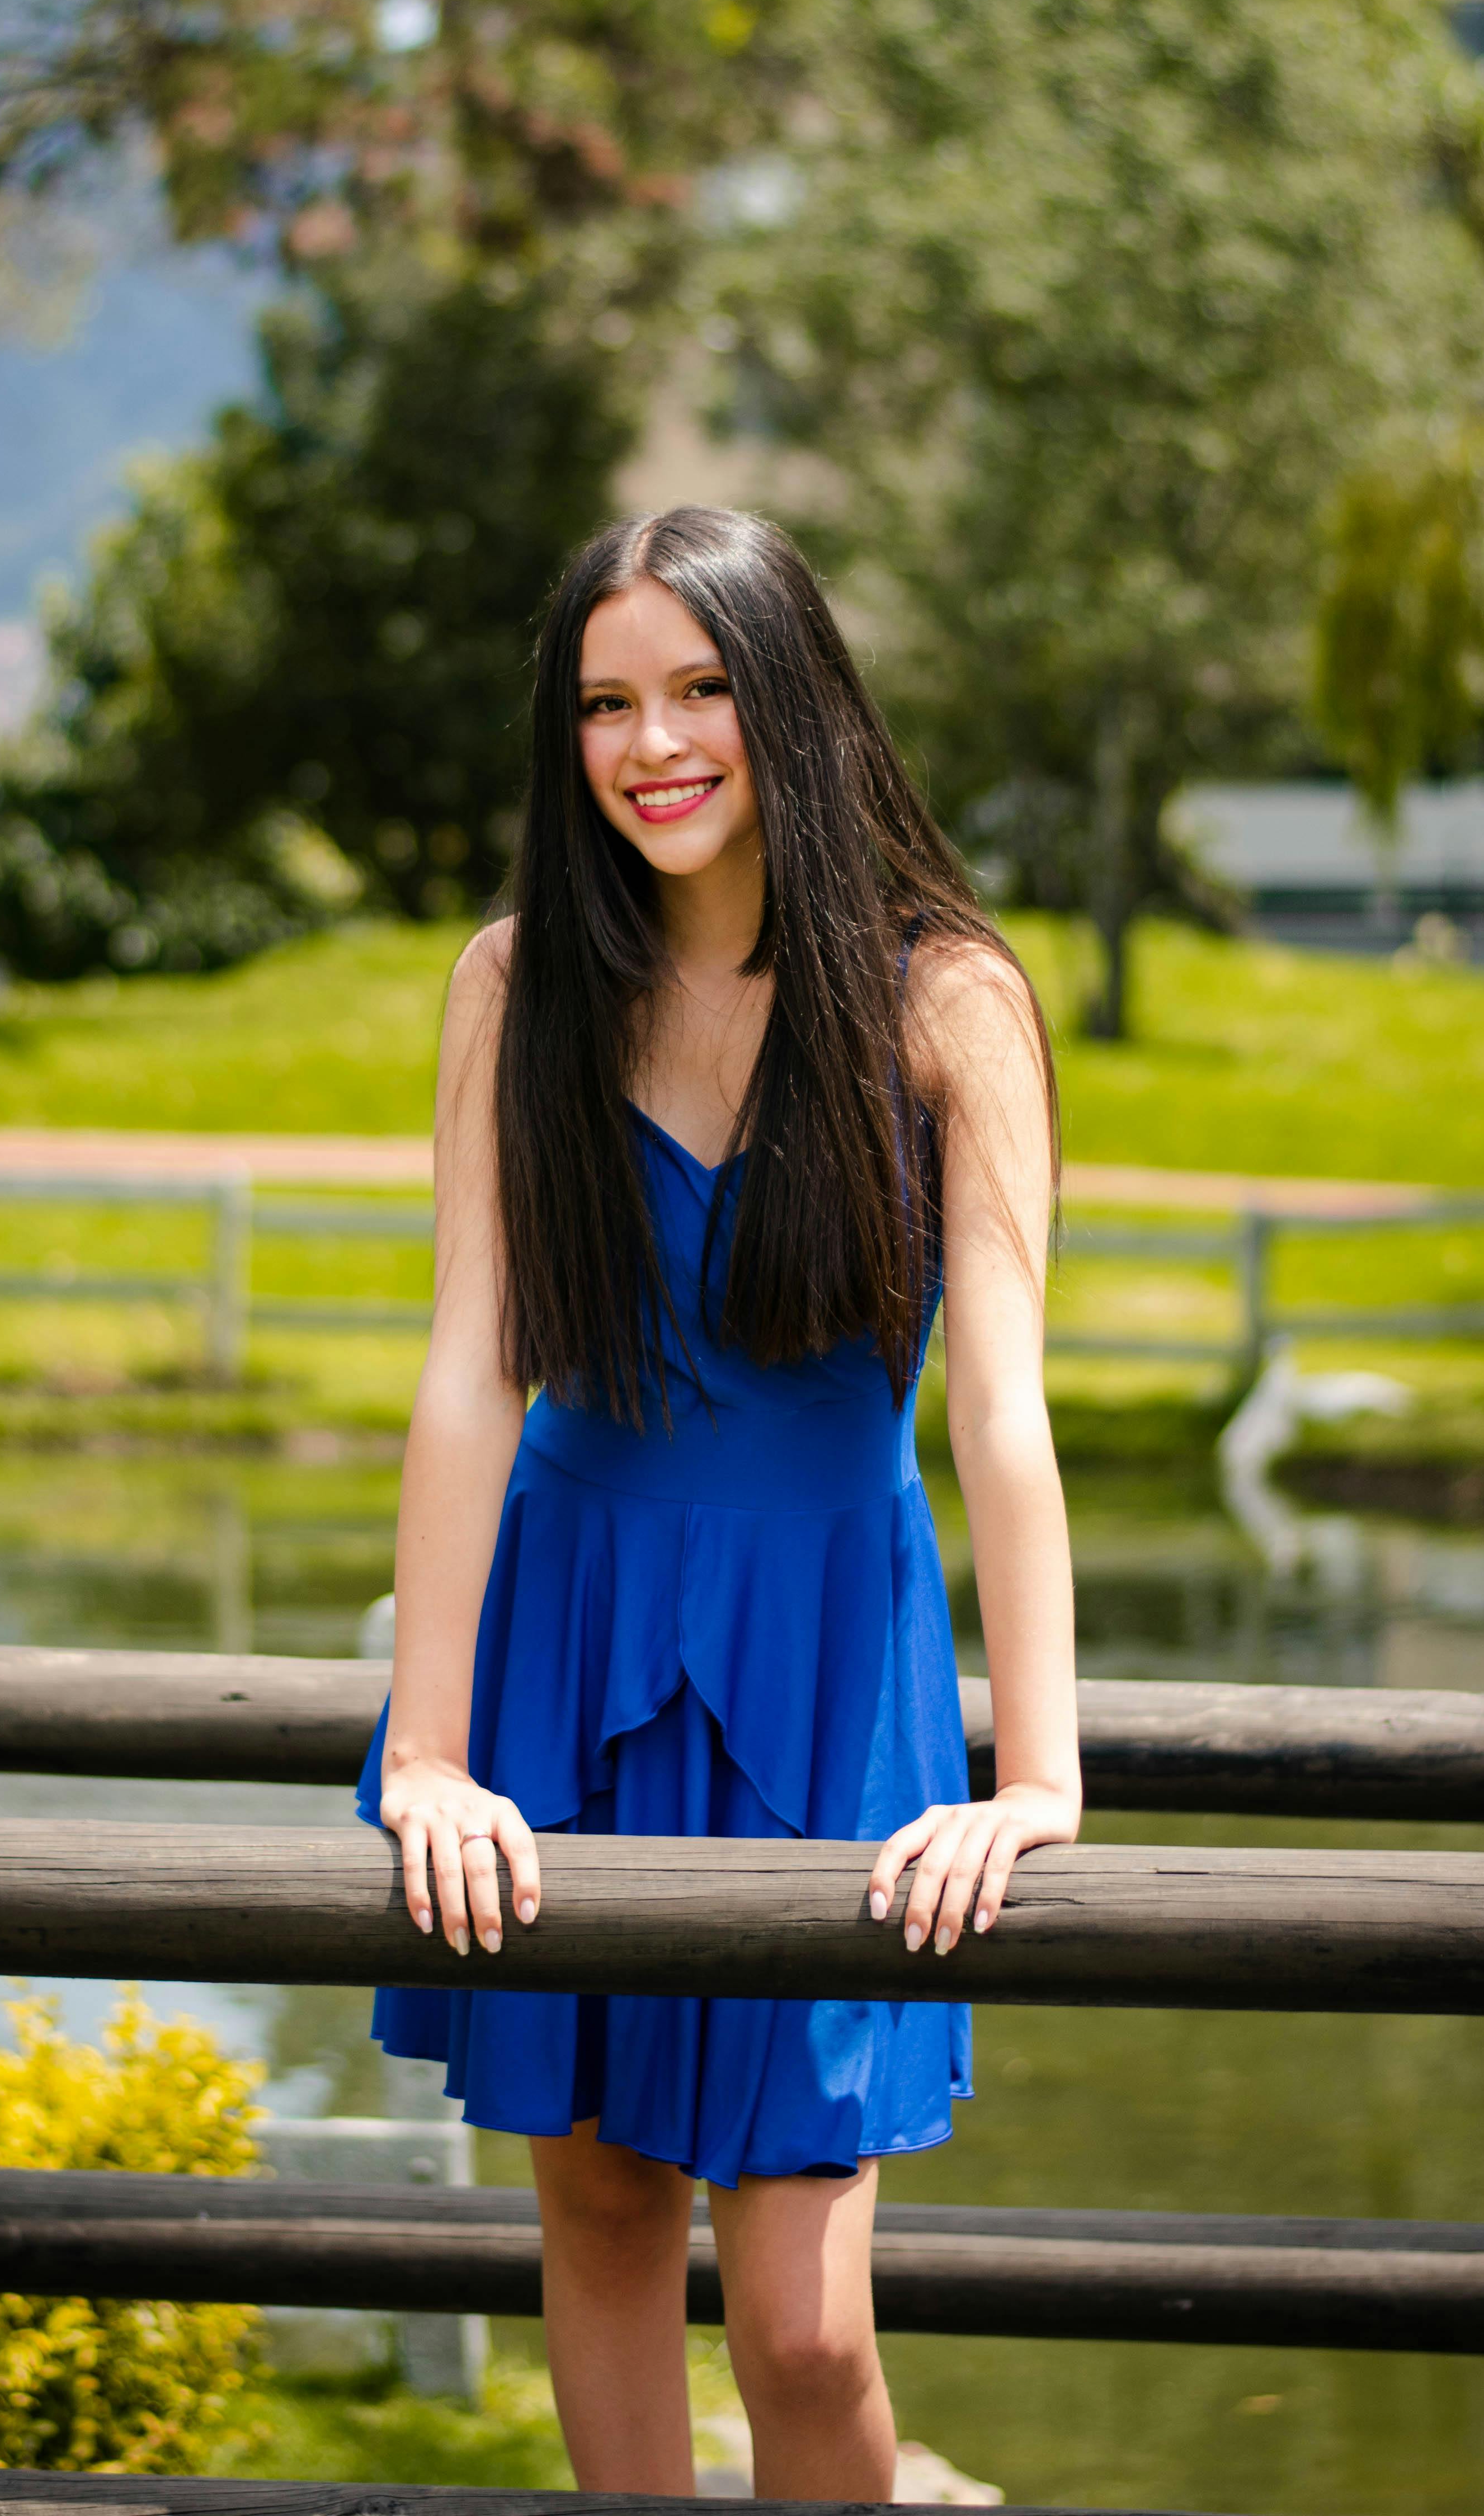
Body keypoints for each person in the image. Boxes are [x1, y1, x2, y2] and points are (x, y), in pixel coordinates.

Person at [355, 503, 1078, 2502]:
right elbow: (467, 1368)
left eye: (699, 688)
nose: (651, 741)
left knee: (806, 2325)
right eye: (605, 701)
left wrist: (1040, 1780)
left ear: (798, 702)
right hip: (560, 1645)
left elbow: (1003, 1417)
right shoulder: (518, 986)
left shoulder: (949, 1003)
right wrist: (424, 1751)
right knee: (593, 2219)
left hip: (836, 1663)